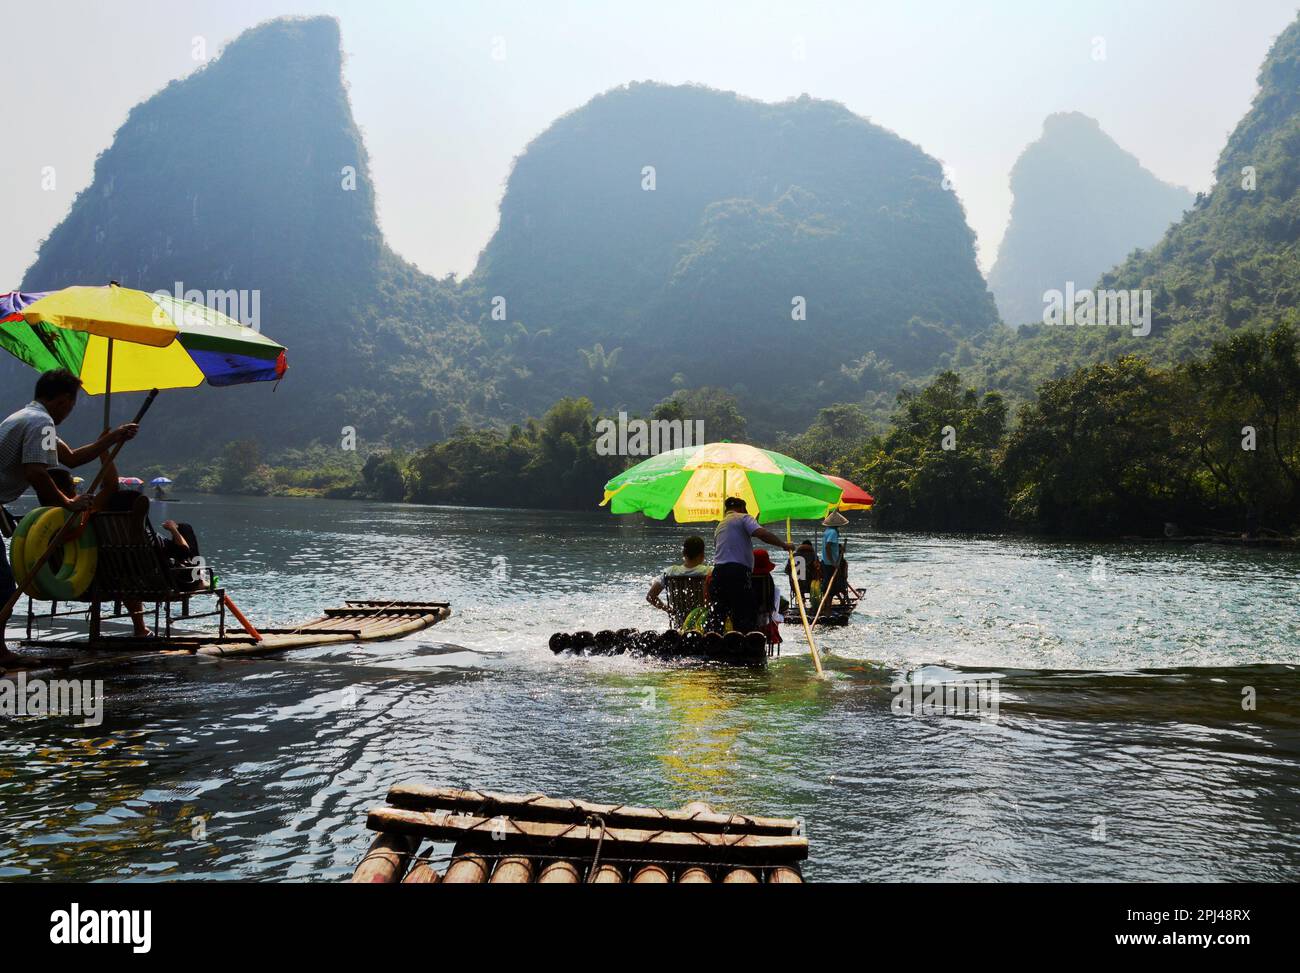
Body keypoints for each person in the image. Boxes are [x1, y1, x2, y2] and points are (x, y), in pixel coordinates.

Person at [0, 369, 138, 663]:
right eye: (72, 405)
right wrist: (68, 502)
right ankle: (0, 652)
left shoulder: (29, 417)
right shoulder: (40, 422)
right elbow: (35, 472)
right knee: (0, 584)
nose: (70, 412)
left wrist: (112, 438)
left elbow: (72, 458)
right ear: (63, 400)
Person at [707, 496, 793, 633]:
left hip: (718, 573)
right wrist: (783, 545)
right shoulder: (743, 517)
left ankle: (713, 641)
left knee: (718, 615)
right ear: (742, 508)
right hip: (737, 573)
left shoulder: (720, 525)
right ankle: (744, 644)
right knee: (744, 613)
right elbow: (762, 534)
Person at [646, 535, 708, 615]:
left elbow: (650, 596)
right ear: (702, 555)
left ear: (683, 553)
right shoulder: (710, 572)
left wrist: (669, 610)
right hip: (703, 620)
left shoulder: (670, 572)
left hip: (678, 620)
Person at [820, 511, 850, 605]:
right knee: (831, 586)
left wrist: (839, 548)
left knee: (830, 584)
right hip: (830, 563)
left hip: (826, 562)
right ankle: (827, 608)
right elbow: (828, 546)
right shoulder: (833, 532)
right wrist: (833, 562)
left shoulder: (828, 530)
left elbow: (831, 545)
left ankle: (828, 605)